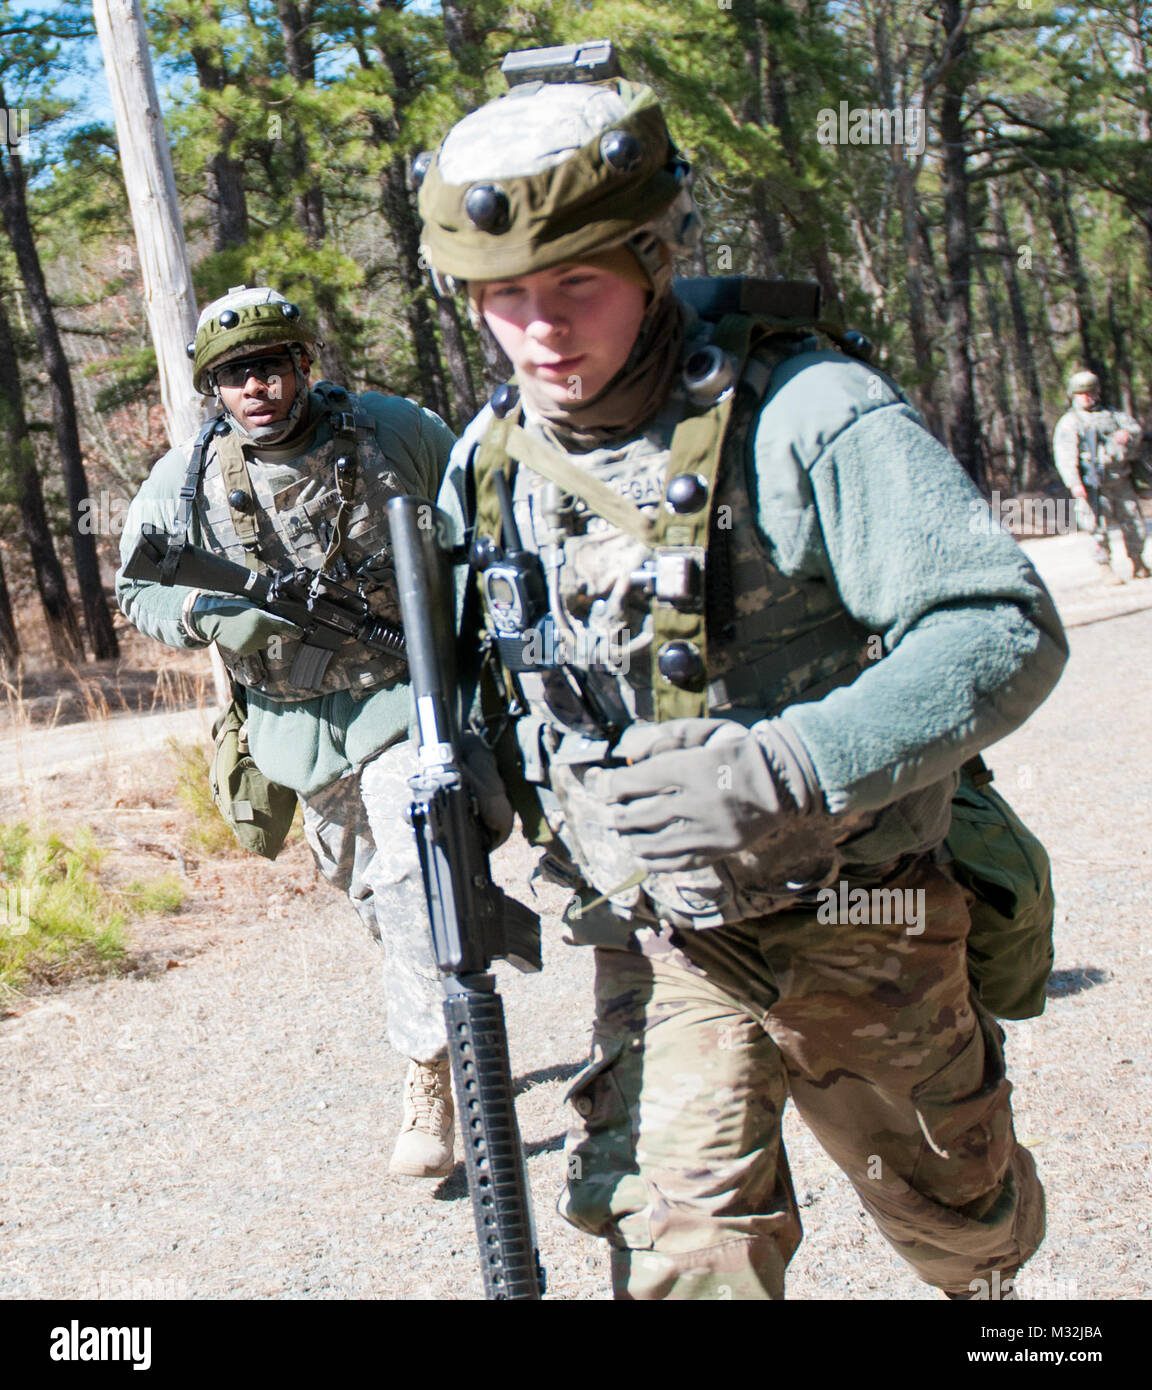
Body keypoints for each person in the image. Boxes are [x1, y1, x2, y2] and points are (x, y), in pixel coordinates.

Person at [416, 47, 1070, 1299]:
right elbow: (481, 675)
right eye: (506, 297)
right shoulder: (484, 464)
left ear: (655, 258)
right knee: (685, 1255)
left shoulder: (811, 411)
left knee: (963, 1227)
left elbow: (1003, 624)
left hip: (859, 912)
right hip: (660, 940)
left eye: (579, 283)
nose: (542, 331)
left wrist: (792, 762)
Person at [116, 285, 460, 1178]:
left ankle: (429, 1074)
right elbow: (137, 587)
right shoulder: (186, 480)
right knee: (373, 890)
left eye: (270, 365)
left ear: (304, 365)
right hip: (294, 729)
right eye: (235, 375)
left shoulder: (392, 432)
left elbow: (476, 516)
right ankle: (445, 982)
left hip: (397, 701)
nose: (256, 387)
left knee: (413, 863)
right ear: (214, 389)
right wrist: (207, 615)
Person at [1052, 369, 1150, 582]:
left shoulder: (1113, 415)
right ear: (1074, 396)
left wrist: (1128, 435)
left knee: (1134, 522)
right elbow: (1065, 457)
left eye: (1090, 393)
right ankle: (1105, 567)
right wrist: (1075, 484)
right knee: (1097, 526)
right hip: (1093, 484)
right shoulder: (1071, 422)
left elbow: (1135, 429)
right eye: (1081, 394)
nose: (1087, 397)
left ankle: (1138, 561)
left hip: (1120, 479)